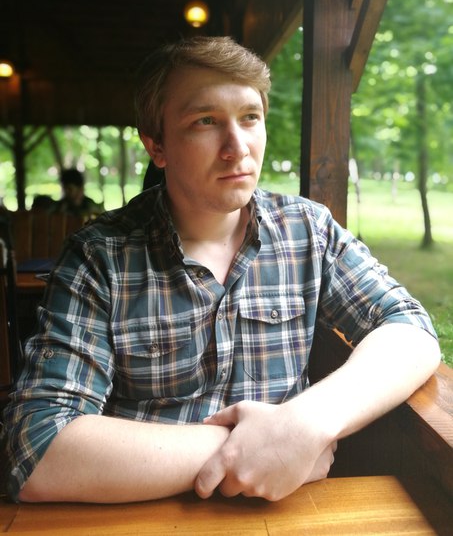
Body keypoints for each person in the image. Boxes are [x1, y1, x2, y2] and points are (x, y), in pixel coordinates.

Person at [1, 36, 440, 504]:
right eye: (205, 121)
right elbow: (33, 449)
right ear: (156, 145)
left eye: (250, 117)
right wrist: (261, 449)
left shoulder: (307, 231)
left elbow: (410, 328)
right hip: (145, 516)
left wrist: (304, 423)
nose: (237, 148)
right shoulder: (100, 256)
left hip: (286, 517)